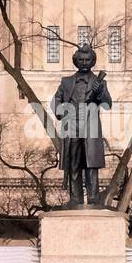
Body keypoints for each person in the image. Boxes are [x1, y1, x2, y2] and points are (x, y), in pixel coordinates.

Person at [51, 45, 112, 207]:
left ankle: (93, 198)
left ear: (93, 61)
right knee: (74, 165)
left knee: (91, 166)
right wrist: (61, 112)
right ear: (75, 62)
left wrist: (99, 92)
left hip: (90, 129)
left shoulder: (100, 83)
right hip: (72, 128)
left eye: (87, 60)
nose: (84, 63)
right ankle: (75, 199)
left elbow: (107, 103)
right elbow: (57, 100)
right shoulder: (66, 82)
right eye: (81, 60)